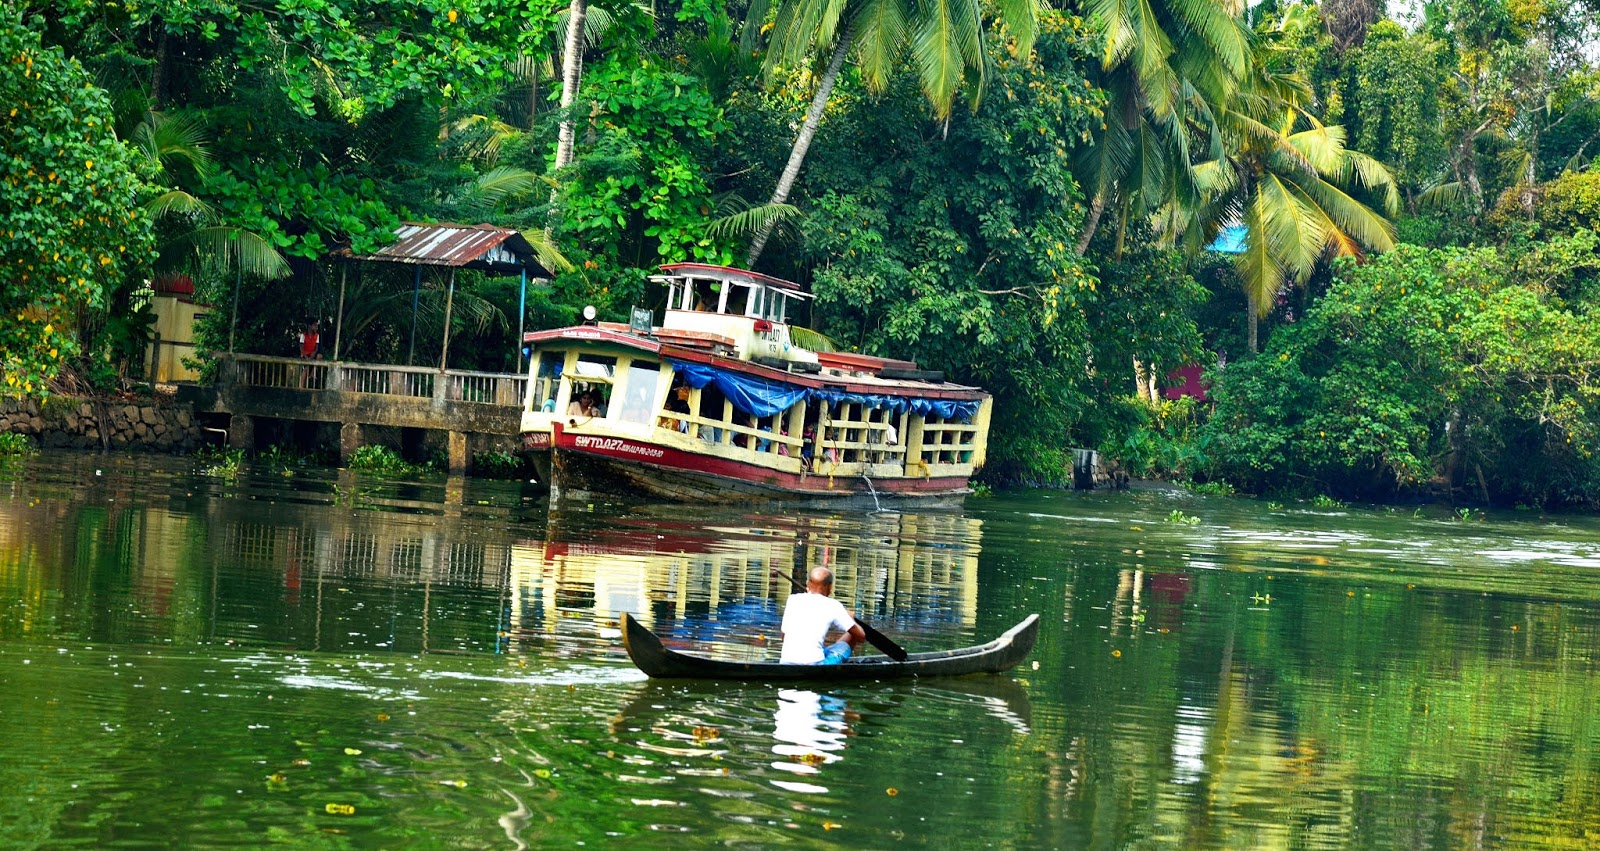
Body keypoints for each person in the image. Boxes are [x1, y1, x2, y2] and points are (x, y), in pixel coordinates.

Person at [779, 567, 866, 665]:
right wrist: (851, 618)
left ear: (808, 584)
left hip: (786, 662)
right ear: (829, 587)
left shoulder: (793, 599)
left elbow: (783, 637)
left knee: (824, 647)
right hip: (815, 664)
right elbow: (861, 636)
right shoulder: (833, 605)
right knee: (853, 634)